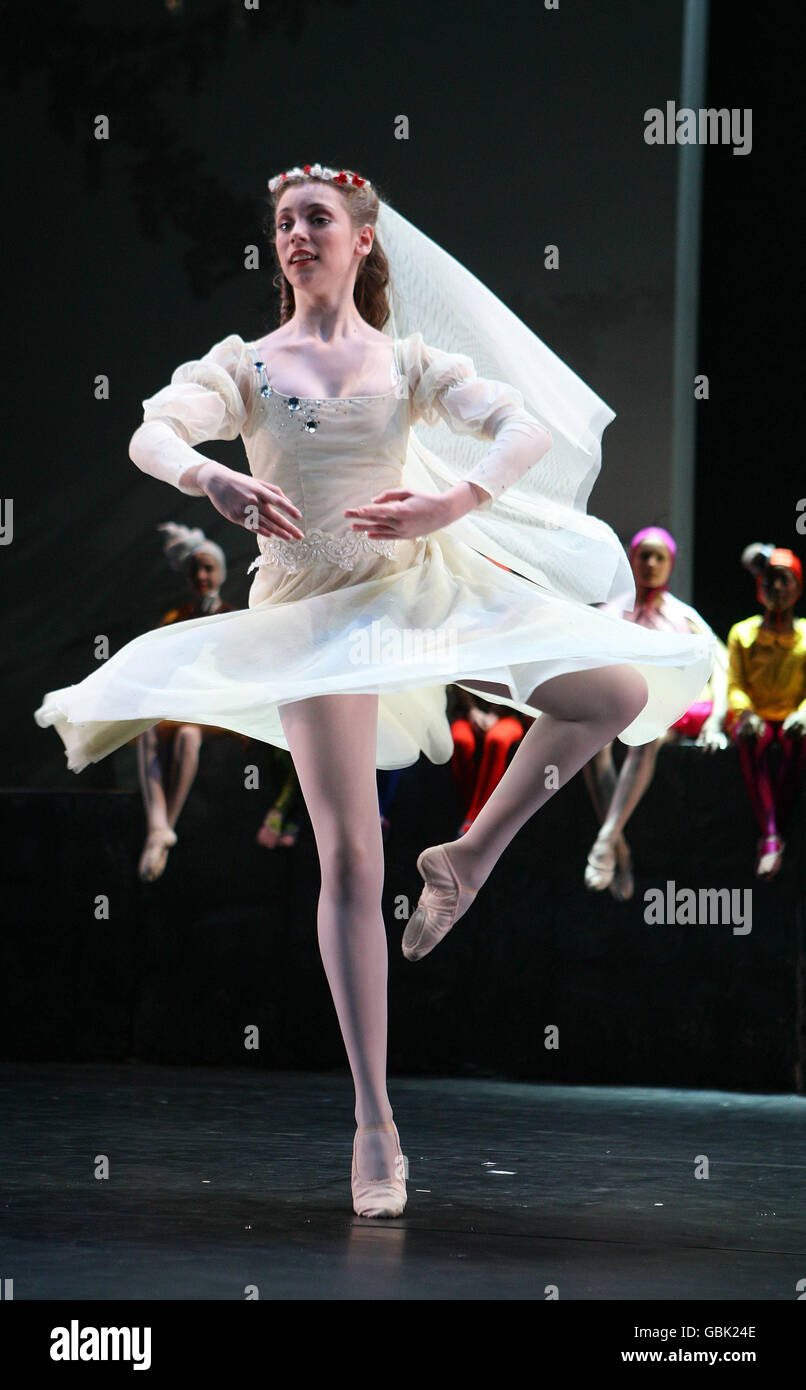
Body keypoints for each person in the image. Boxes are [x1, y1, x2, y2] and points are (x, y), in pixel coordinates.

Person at [34, 162, 716, 1219]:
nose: (296, 235)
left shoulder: (406, 362)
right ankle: (374, 1121)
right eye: (283, 223)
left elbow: (519, 427)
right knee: (352, 854)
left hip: (421, 587)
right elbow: (151, 430)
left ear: (361, 243)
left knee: (611, 693)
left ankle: (469, 856)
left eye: (317, 219)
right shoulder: (247, 366)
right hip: (313, 618)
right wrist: (210, 476)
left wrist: (451, 500)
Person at [582, 526, 728, 898]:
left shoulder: (685, 616)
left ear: (671, 564)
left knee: (649, 737)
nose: (650, 563)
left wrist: (714, 720)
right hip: (619, 706)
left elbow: (721, 667)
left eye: (658, 557)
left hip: (664, 711)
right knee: (591, 746)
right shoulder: (612, 612)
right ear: (631, 559)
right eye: (643, 555)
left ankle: (605, 844)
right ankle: (618, 847)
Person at [136, 523, 250, 881]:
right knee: (146, 731)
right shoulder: (176, 617)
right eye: (195, 570)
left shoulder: (232, 616)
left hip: (216, 712)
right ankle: (157, 823)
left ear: (220, 572)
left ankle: (164, 828)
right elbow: (157, 662)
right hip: (183, 705)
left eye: (208, 568)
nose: (201, 576)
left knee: (187, 736)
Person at [726, 544, 806, 879]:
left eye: (784, 580)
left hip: (792, 717)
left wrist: (803, 713)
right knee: (749, 744)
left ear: (797, 586)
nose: (776, 588)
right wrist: (746, 714)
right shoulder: (743, 633)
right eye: (770, 580)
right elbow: (735, 685)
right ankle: (773, 838)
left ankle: (773, 836)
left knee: (800, 746)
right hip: (757, 717)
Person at [448, 685, 534, 837]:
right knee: (461, 741)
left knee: (497, 740)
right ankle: (469, 811)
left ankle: (475, 819)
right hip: (468, 713)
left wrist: (496, 713)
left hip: (508, 714)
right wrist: (472, 711)